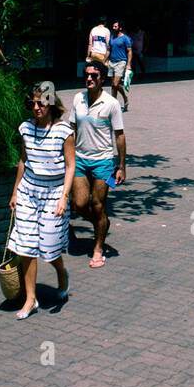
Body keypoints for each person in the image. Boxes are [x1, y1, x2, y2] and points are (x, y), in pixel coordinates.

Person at [7, 82, 75, 320]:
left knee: (49, 248)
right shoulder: (25, 128)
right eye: (33, 103)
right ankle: (30, 299)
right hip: (28, 190)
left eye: (41, 103)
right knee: (26, 247)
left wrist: (64, 197)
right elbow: (23, 161)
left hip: (54, 192)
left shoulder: (64, 131)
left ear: (51, 104)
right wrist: (15, 192)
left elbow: (70, 166)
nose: (36, 107)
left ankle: (61, 273)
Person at [70, 60, 127, 269]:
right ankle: (101, 223)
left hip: (103, 161)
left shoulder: (111, 103)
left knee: (98, 204)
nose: (89, 78)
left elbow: (119, 135)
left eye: (94, 75)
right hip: (80, 160)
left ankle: (98, 248)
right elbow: (72, 129)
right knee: (79, 204)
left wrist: (121, 166)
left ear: (102, 78)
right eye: (87, 75)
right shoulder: (78, 98)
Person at [107, 20, 133, 111]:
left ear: (120, 28)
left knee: (116, 83)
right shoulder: (112, 38)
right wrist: (105, 60)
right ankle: (114, 105)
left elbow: (129, 51)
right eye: (113, 26)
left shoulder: (125, 38)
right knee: (113, 85)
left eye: (115, 26)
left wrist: (128, 64)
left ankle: (125, 98)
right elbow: (109, 50)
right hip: (111, 62)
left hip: (121, 62)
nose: (113, 28)